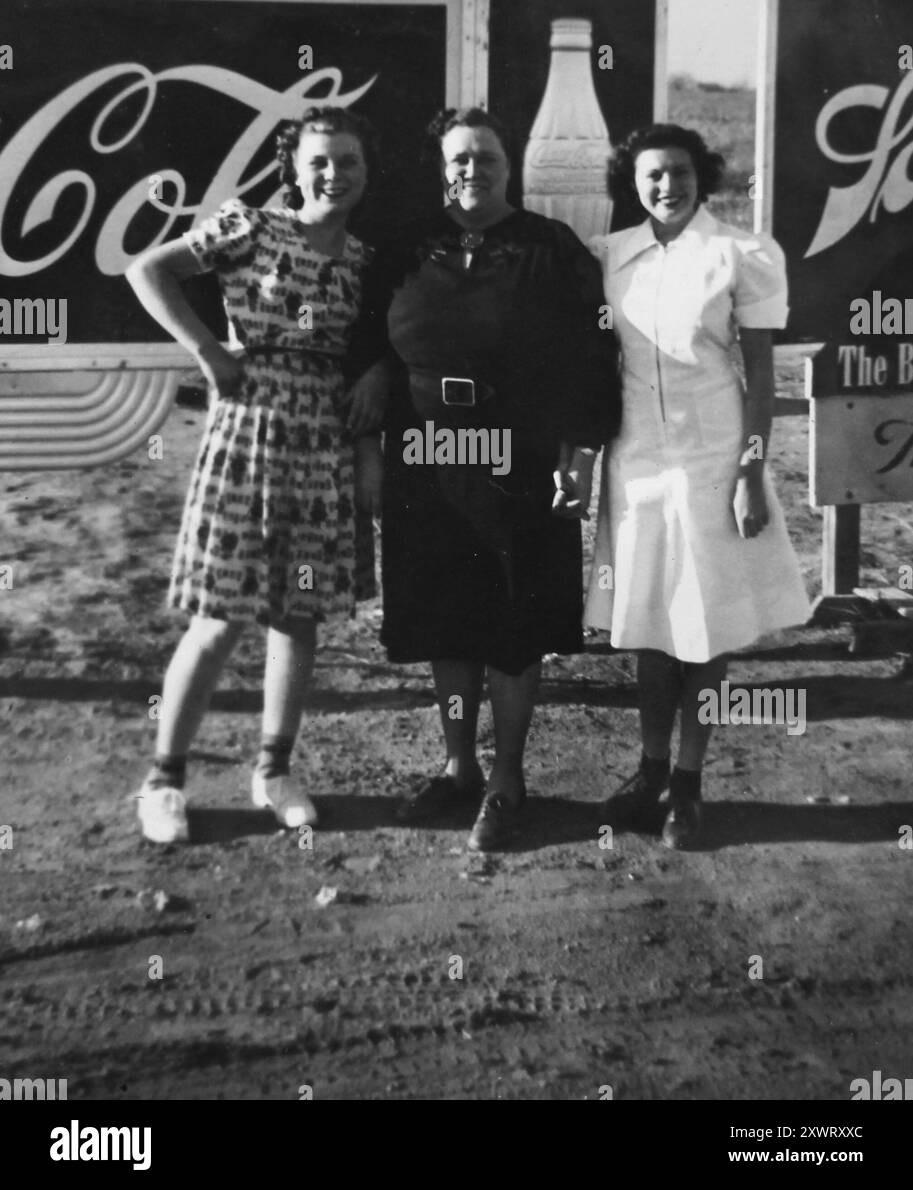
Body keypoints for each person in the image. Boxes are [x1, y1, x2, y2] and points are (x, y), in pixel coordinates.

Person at [351, 106, 621, 852]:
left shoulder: (550, 248)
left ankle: (507, 776)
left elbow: (591, 358)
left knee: (511, 614)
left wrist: (581, 450)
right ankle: (457, 764)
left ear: (511, 167)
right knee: (443, 610)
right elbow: (368, 334)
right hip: (426, 455)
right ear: (443, 165)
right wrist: (375, 387)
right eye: (460, 159)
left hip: (518, 451)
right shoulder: (404, 247)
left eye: (487, 159)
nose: (472, 171)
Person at [126, 106, 383, 844]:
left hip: (322, 440)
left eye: (348, 162)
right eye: (319, 162)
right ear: (294, 169)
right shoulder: (253, 226)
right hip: (249, 428)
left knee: (297, 617)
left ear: (366, 172)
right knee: (221, 614)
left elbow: (369, 350)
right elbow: (147, 271)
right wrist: (207, 351)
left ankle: (273, 771)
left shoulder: (365, 258)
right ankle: (164, 780)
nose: (333, 174)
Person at [584, 123, 811, 849]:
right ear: (633, 183)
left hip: (714, 460)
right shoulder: (611, 256)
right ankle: (649, 771)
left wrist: (749, 470)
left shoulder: (739, 253)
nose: (665, 186)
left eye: (678, 172)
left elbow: (760, 378)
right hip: (636, 465)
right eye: (650, 175)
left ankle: (688, 784)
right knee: (649, 624)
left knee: (704, 630)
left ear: (699, 175)